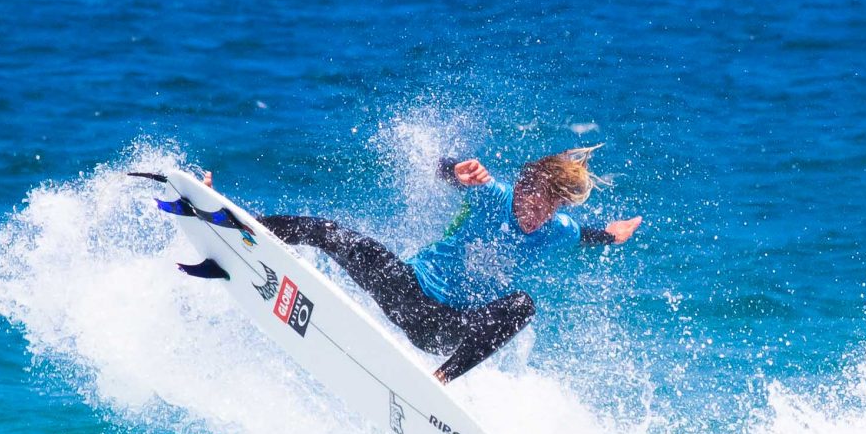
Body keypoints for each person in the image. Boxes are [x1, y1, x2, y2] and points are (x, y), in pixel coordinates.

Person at [181, 147, 643, 382]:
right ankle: (230, 225)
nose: (541, 212)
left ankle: (440, 381)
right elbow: (448, 172)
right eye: (540, 197)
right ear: (524, 183)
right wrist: (454, 170)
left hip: (447, 328)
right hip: (408, 288)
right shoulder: (494, 196)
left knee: (523, 304)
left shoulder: (557, 230)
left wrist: (613, 234)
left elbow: (587, 235)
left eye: (555, 205)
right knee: (328, 232)